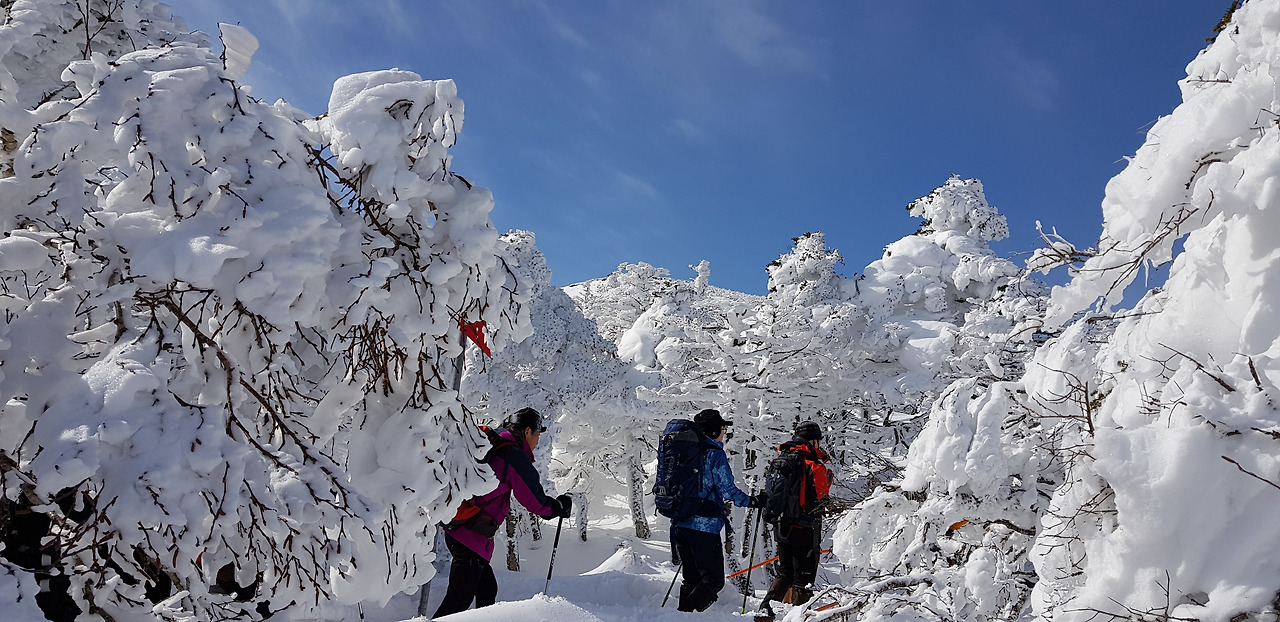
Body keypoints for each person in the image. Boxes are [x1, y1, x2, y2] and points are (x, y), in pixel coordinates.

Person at [433, 407, 572, 618]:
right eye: (537, 434)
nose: (538, 441)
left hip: (459, 527)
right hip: (471, 535)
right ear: (527, 431)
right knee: (458, 600)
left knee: (487, 590)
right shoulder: (512, 455)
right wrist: (557, 508)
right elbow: (535, 502)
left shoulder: (490, 443)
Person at [671, 408, 764, 613]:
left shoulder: (684, 452)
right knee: (713, 581)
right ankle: (687, 614)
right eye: (722, 429)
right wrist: (751, 501)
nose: (724, 433)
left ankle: (682, 616)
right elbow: (727, 489)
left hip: (681, 523)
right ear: (713, 431)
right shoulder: (714, 454)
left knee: (692, 579)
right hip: (704, 526)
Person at [758, 420, 831, 619]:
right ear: (813, 441)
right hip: (805, 528)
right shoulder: (813, 465)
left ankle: (765, 611)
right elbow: (820, 498)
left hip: (782, 526)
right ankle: (799, 617)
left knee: (784, 573)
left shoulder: (782, 459)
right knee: (803, 580)